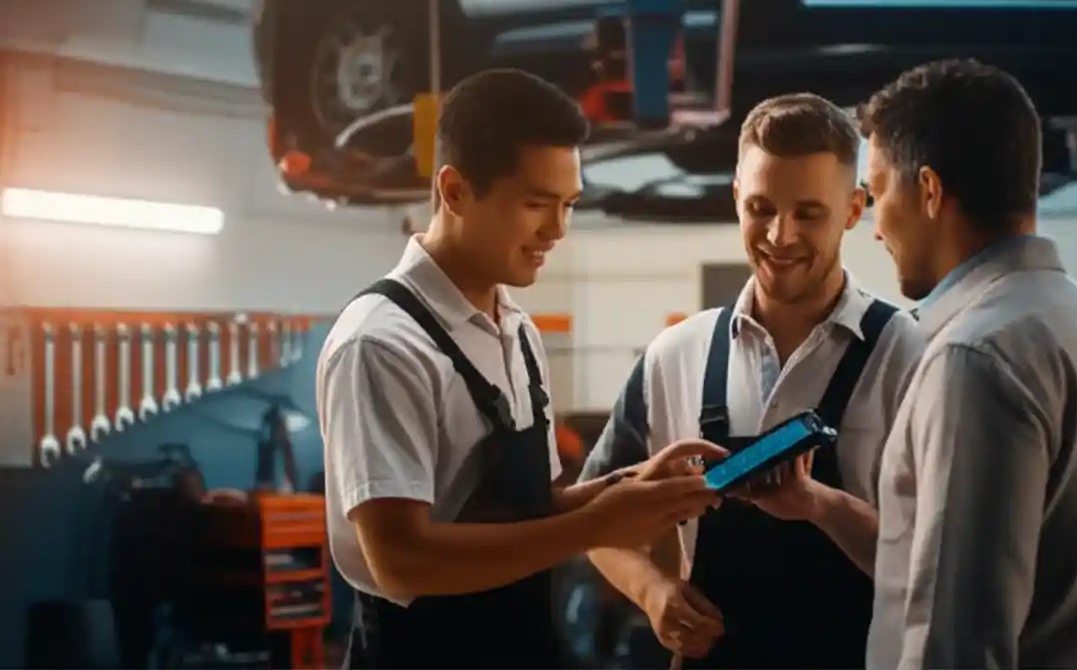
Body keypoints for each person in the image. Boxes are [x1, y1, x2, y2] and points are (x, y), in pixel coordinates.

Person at [316, 68, 723, 670]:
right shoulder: (381, 344)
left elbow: (528, 510)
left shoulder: (518, 330)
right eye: (536, 204)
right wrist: (594, 527)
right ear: (453, 191)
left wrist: (626, 488)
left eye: (569, 206)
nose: (557, 230)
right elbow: (401, 559)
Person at [579, 93, 926, 668]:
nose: (780, 236)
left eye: (808, 213)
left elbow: (939, 562)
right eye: (761, 208)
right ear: (736, 197)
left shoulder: (909, 356)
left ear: (854, 209)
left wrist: (819, 505)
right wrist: (653, 592)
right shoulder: (675, 356)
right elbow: (595, 519)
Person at [851, 58, 1077, 668]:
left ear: (927, 191)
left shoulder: (974, 361)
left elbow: (957, 641)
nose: (874, 226)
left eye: (876, 193)